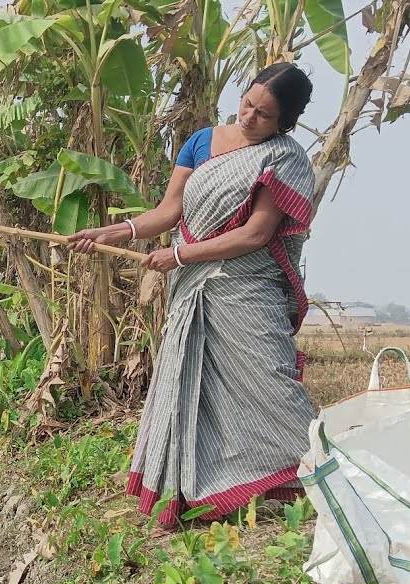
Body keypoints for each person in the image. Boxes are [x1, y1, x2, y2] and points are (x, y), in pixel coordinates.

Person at [68, 63, 317, 527]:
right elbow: (169, 211)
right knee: (197, 388)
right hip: (194, 289)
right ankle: (207, 489)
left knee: (274, 384)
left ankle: (319, 475)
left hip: (247, 288)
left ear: (284, 122)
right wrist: (114, 231)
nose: (248, 118)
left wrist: (181, 257)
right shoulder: (202, 141)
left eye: (263, 115)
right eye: (247, 103)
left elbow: (256, 235)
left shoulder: (285, 157)